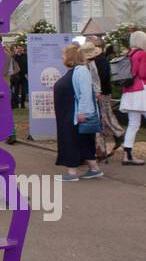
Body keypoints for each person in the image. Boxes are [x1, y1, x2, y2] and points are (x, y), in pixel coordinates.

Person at [53, 42, 103, 181]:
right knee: (83, 141)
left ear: (70, 57)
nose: (62, 57)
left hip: (74, 115)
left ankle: (72, 173)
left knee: (72, 141)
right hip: (70, 114)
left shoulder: (81, 71)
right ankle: (94, 169)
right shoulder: (77, 71)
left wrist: (82, 112)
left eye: (63, 55)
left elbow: (85, 93)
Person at [91, 40, 124, 158]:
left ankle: (118, 134)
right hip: (103, 92)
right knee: (104, 117)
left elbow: (101, 78)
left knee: (104, 116)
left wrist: (97, 89)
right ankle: (103, 147)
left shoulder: (99, 61)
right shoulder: (101, 60)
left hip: (101, 93)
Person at [118, 29, 146, 166]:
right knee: (134, 124)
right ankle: (128, 155)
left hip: (128, 91)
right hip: (140, 91)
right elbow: (143, 73)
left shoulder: (128, 54)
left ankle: (126, 155)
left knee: (133, 124)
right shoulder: (142, 54)